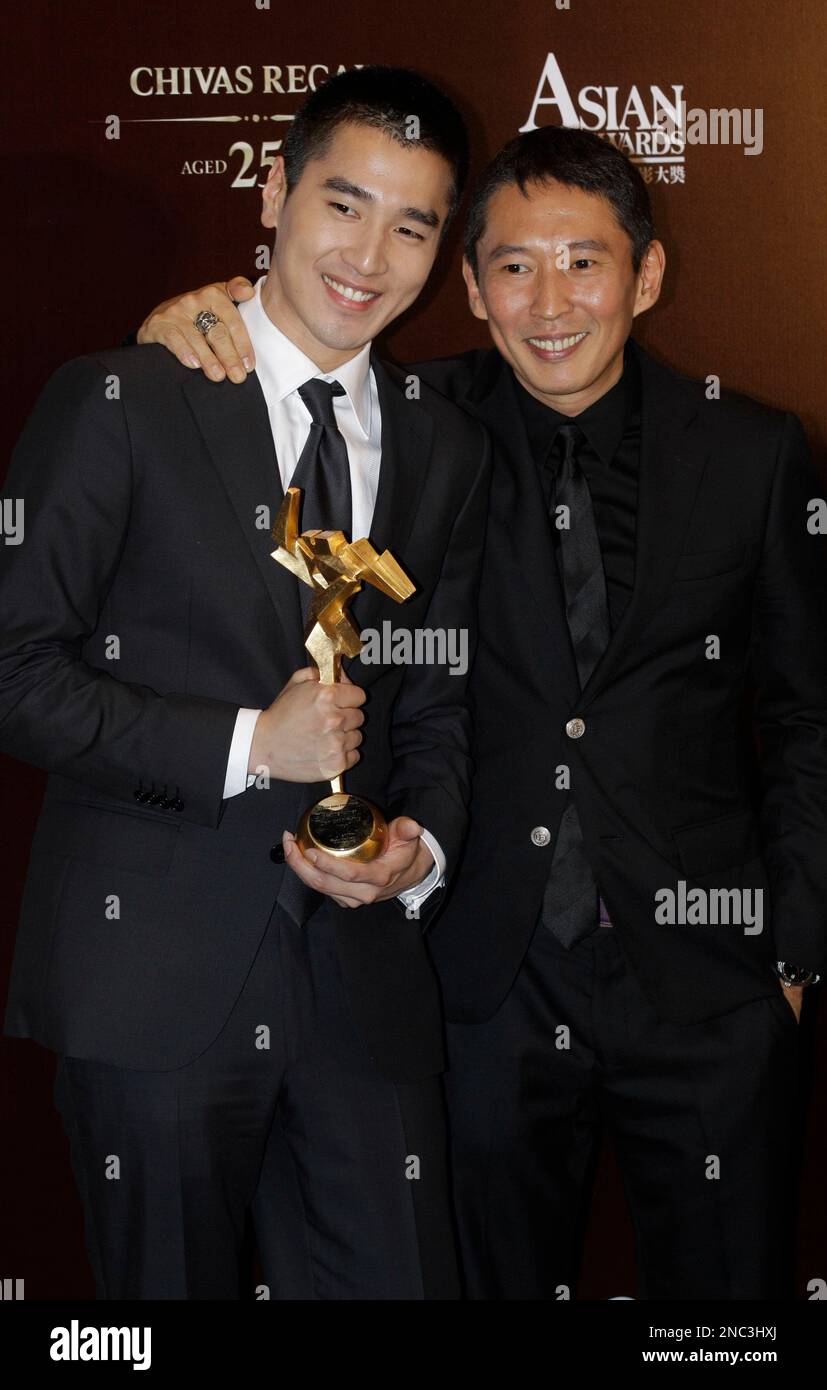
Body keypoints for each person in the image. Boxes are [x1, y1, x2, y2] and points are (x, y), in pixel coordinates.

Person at [138, 123, 827, 1300]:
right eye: (511, 265)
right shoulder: (406, 430)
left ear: (644, 275)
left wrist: (793, 955)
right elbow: (272, 376)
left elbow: (811, 718)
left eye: (583, 261)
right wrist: (182, 321)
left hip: (706, 985)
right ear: (465, 284)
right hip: (477, 983)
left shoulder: (754, 452)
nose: (547, 300)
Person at [0, 66, 492, 1300]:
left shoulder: (445, 446)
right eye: (343, 202)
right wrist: (241, 746)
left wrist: (415, 845)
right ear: (271, 190)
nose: (368, 254)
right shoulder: (123, 398)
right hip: (153, 981)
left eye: (413, 224)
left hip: (363, 992)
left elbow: (438, 689)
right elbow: (14, 671)